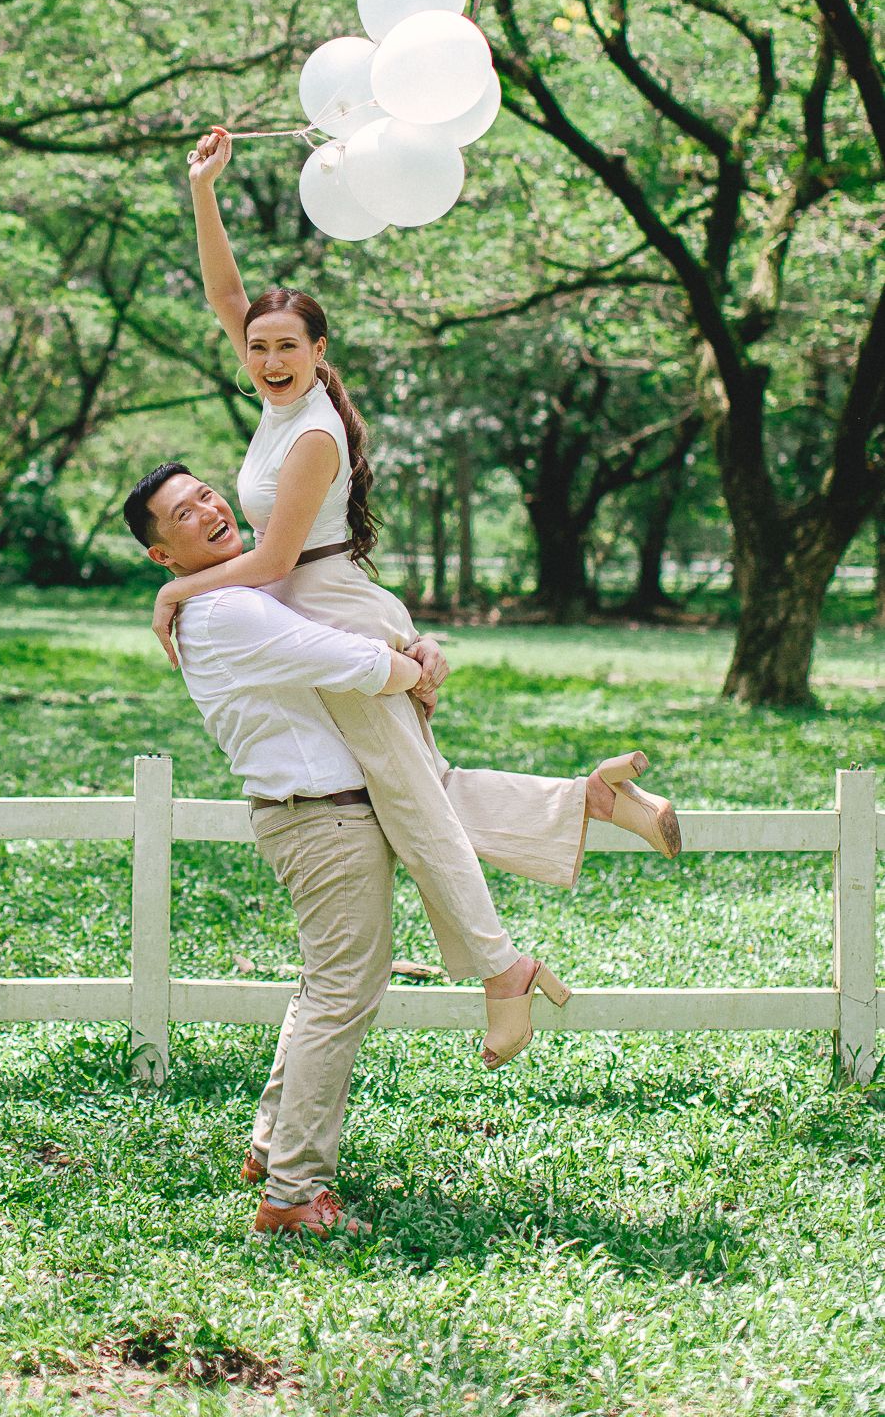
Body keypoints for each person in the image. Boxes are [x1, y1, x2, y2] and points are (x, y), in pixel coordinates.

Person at [147, 127, 682, 1070]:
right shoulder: (278, 400)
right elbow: (225, 296)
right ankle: (594, 801)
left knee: (412, 807)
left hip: (328, 605)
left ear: (318, 350)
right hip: (327, 604)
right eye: (257, 347)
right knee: (424, 790)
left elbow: (274, 559)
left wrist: (179, 588)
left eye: (285, 346)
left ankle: (501, 971)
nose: (266, 357)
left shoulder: (313, 434)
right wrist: (202, 189)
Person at [123, 459, 456, 1235]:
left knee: (327, 986)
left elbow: (352, 627)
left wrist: (420, 646)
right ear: (162, 554)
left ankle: (271, 1147)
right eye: (183, 514)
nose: (208, 510)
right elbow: (355, 662)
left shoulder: (231, 597)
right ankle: (293, 1194)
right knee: (341, 995)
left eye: (206, 494)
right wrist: (410, 667)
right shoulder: (225, 612)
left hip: (320, 816)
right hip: (321, 821)